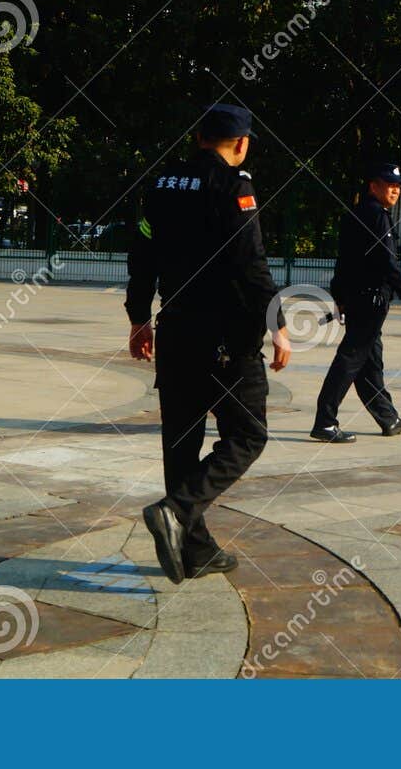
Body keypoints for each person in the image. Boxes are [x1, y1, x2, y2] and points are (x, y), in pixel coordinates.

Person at [125, 103, 291, 583]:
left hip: (175, 332)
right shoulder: (233, 186)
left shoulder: (160, 185)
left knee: (181, 444)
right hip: (225, 339)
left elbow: (143, 257)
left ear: (198, 137)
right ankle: (177, 510)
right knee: (248, 435)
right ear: (241, 144)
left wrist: (139, 320)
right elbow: (250, 261)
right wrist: (276, 322)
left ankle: (195, 549)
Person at [310, 162, 401, 443]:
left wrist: (339, 295)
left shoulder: (355, 213)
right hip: (370, 300)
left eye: (398, 186)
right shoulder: (376, 216)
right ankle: (325, 422)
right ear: (373, 186)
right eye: (390, 185)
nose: (395, 190)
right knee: (350, 360)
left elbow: (344, 260)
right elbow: (387, 261)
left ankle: (388, 418)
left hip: (357, 298)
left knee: (369, 362)